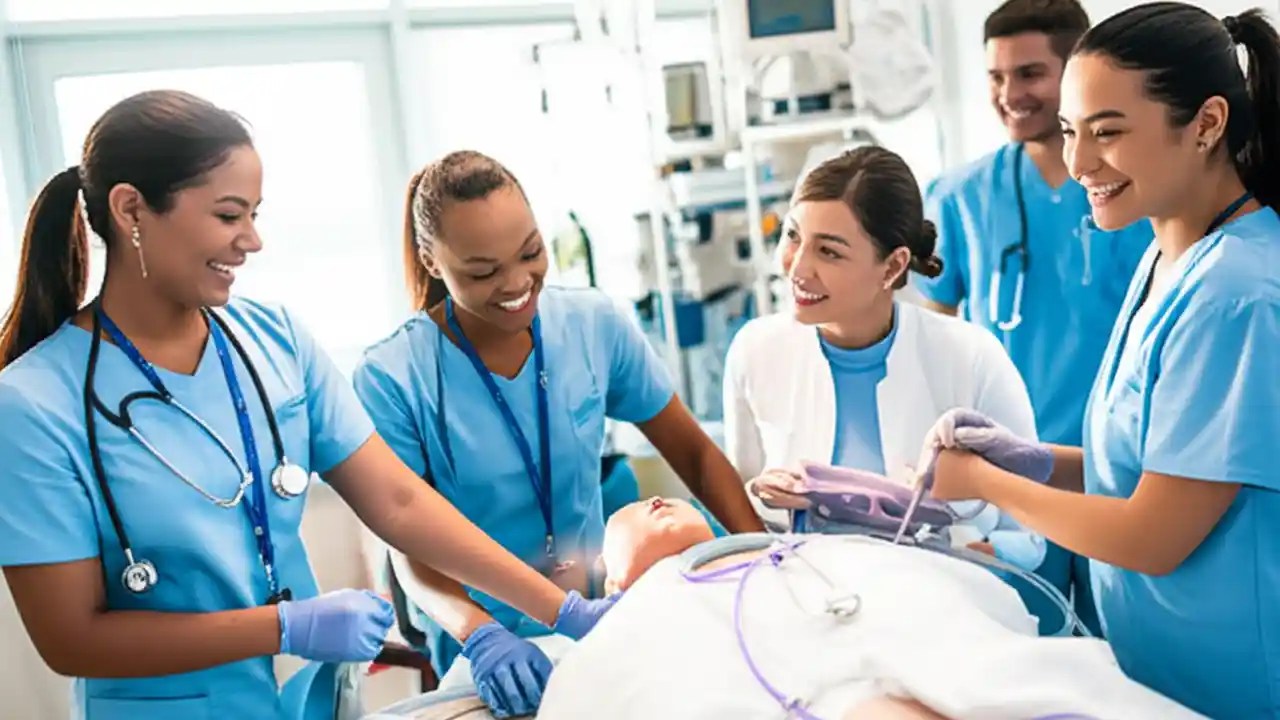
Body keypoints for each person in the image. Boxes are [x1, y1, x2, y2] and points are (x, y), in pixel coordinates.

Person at [0, 90, 617, 720]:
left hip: (309, 704)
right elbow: (70, 638)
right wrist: (284, 628)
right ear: (132, 208)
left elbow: (401, 502)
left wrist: (561, 610)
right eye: (228, 215)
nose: (252, 240)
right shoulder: (34, 405)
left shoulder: (275, 342)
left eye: (255, 214)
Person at [922, 5, 1280, 718]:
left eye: (1108, 132)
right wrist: (1033, 460)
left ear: (1207, 124)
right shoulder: (1166, 257)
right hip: (1162, 672)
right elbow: (1157, 468)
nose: (1079, 162)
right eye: (1070, 132)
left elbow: (1153, 536)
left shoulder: (1236, 296)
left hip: (1237, 683)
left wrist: (988, 483)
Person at [351, 150, 764, 717]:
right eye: (483, 271)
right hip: (491, 648)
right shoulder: (393, 375)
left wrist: (767, 556)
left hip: (605, 620)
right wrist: (479, 634)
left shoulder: (593, 325)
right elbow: (410, 551)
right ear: (431, 259)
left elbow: (693, 453)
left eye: (530, 253)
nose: (518, 283)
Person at [914, 0, 1154, 634]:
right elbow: (931, 338)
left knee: (1129, 662)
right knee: (1031, 649)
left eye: (1029, 74)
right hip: (1014, 480)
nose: (1009, 95)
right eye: (995, 77)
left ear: (1076, 74)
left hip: (1126, 472)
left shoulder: (1140, 193)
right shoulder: (960, 197)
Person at [529, 498, 1201, 720]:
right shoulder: (640, 617)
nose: (656, 501)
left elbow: (971, 600)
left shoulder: (814, 552)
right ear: (613, 586)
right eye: (632, 516)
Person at [722, 147, 1049, 585]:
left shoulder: (971, 358)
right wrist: (767, 497)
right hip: (809, 605)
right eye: (793, 235)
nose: (798, 267)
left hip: (949, 606)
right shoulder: (755, 352)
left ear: (893, 266)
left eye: (829, 252)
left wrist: (951, 559)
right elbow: (743, 515)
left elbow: (1027, 534)